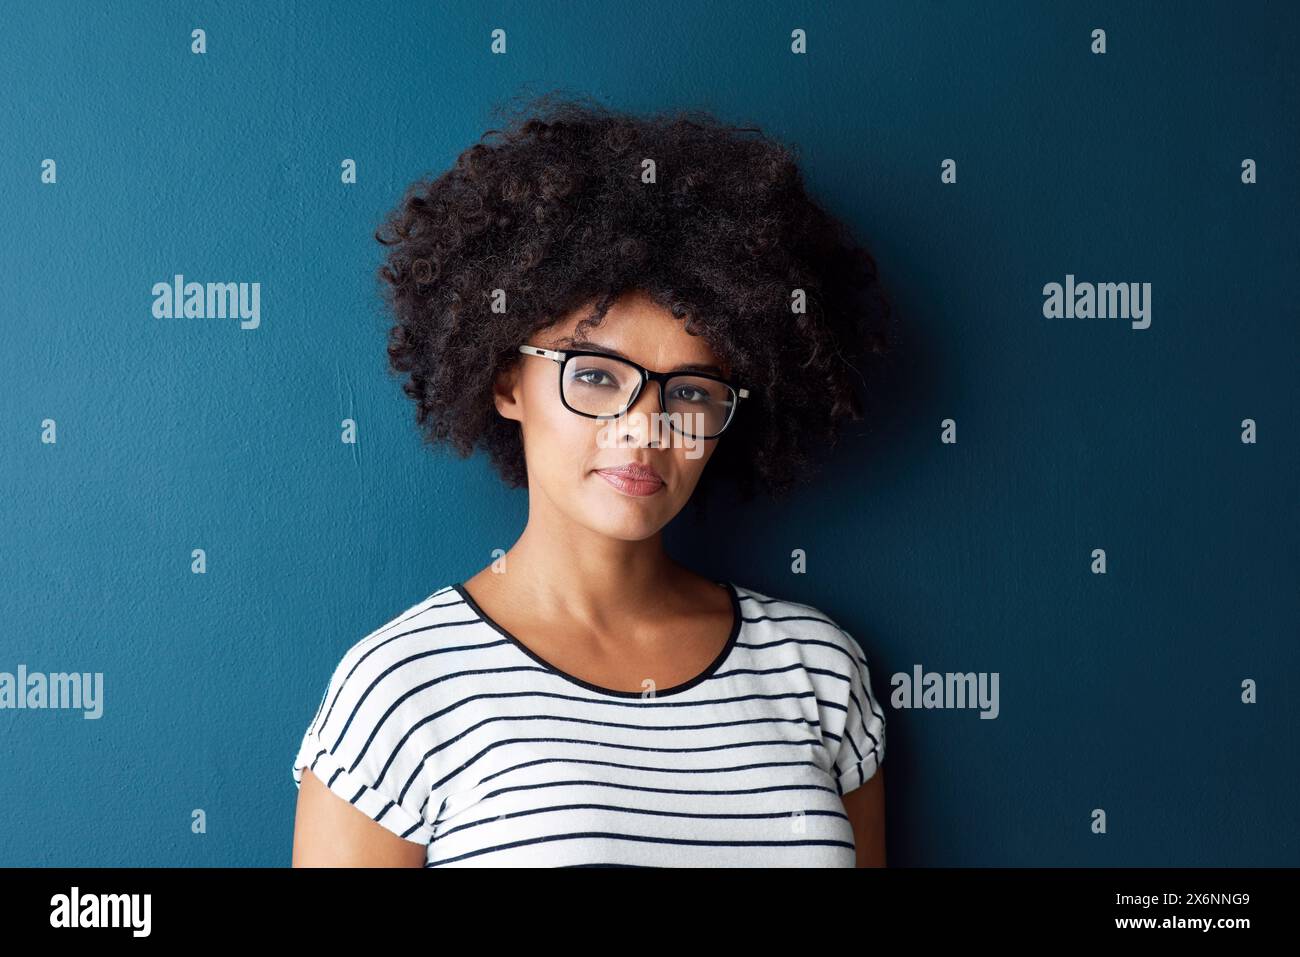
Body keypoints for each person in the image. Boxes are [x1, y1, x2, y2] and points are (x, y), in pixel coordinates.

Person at [291, 94, 896, 867]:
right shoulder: (402, 689)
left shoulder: (817, 669)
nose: (645, 426)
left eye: (690, 391)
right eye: (599, 377)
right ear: (507, 381)